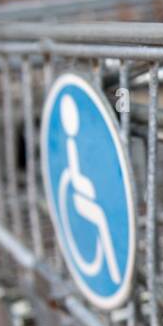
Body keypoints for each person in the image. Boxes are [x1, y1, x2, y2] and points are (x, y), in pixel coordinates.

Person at [59, 92, 121, 284]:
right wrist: (84, 185)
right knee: (102, 219)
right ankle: (114, 270)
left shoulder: (75, 140)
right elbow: (75, 173)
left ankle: (114, 269)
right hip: (80, 197)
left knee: (103, 219)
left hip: (84, 194)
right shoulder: (71, 142)